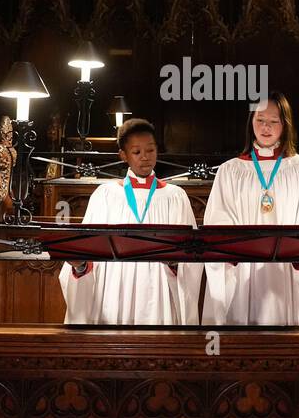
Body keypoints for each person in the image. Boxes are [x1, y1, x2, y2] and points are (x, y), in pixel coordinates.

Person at [202, 91, 299, 325]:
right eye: (260, 119)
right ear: (251, 122)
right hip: (245, 268)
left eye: (274, 121)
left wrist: (297, 250)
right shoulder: (230, 171)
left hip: (289, 269)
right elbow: (217, 220)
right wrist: (235, 251)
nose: (266, 127)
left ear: (285, 125)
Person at [58, 118, 202, 324]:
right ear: (123, 155)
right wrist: (80, 265)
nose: (145, 157)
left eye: (150, 150)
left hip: (159, 288)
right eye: (136, 152)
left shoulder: (175, 196)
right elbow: (87, 250)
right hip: (115, 288)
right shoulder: (105, 195)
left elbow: (192, 255)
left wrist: (176, 262)